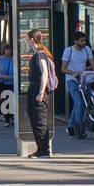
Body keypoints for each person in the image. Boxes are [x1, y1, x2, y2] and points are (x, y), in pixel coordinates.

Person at [26, 30, 57, 158]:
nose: (26, 42)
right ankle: (41, 148)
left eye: (27, 39)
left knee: (40, 121)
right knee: (35, 118)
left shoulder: (40, 54)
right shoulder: (38, 53)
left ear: (32, 40)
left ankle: (44, 150)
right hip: (34, 89)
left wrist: (41, 92)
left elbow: (44, 73)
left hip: (39, 90)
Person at [61, 32, 94, 138]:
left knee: (79, 103)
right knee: (79, 102)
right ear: (75, 41)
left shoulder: (87, 49)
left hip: (84, 80)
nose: (84, 43)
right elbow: (63, 69)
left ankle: (71, 126)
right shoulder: (68, 51)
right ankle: (80, 128)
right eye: (81, 41)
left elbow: (93, 65)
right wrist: (74, 73)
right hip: (72, 80)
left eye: (85, 40)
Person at [0, 44, 16, 126]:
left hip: (13, 83)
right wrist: (2, 76)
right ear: (4, 50)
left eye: (10, 49)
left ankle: (12, 117)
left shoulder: (15, 58)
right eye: (7, 49)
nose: (8, 51)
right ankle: (7, 119)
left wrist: (13, 77)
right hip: (3, 83)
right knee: (5, 101)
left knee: (13, 101)